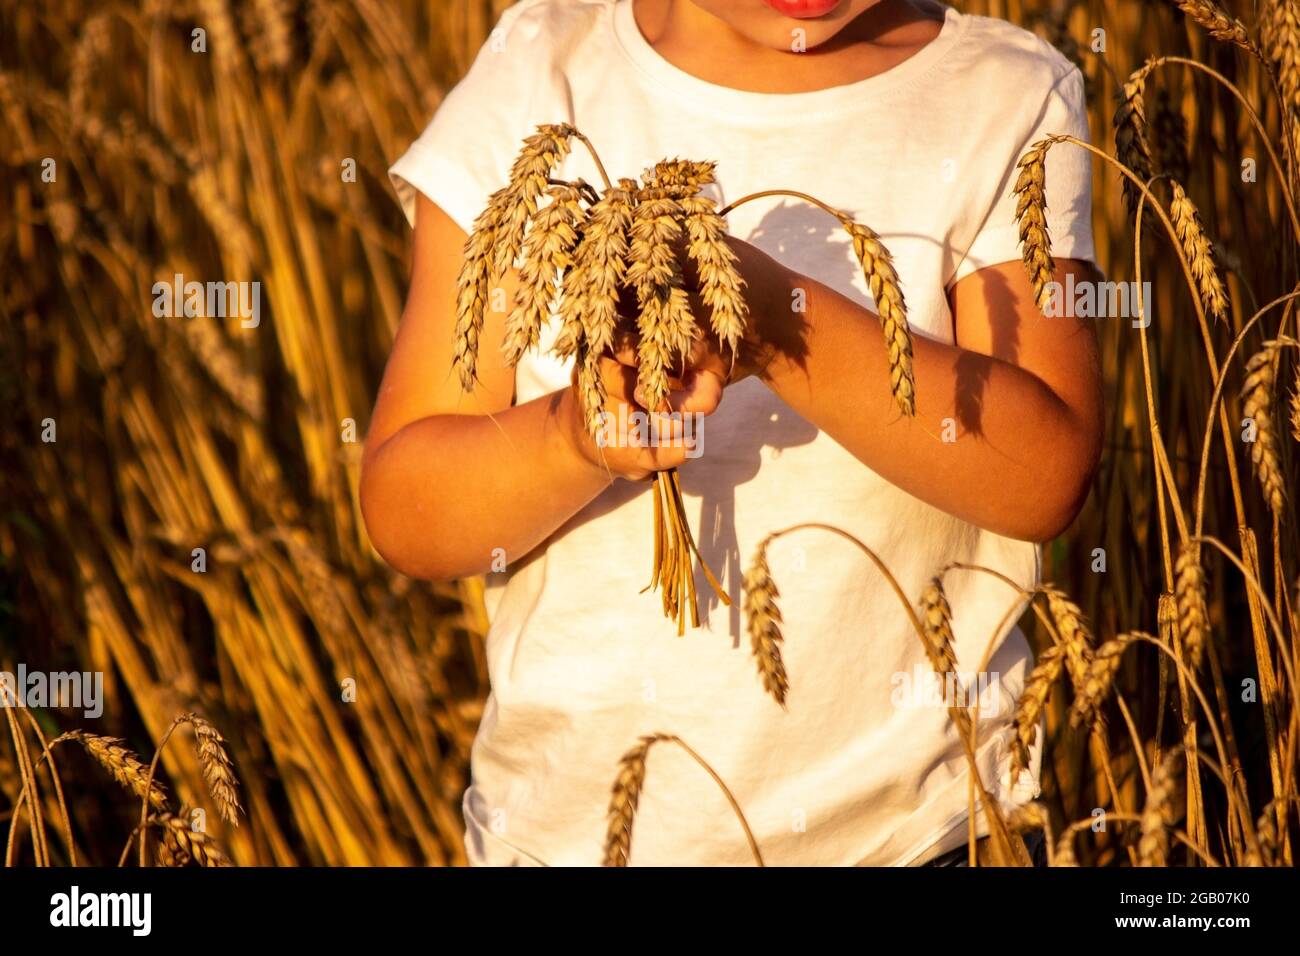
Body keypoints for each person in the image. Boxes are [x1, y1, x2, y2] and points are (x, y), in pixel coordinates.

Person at [363, 0, 1103, 865]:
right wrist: (574, 437)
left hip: (922, 837)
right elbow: (407, 505)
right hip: (572, 843)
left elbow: (1045, 475)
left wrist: (773, 323)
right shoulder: (541, 71)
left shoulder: (1004, 97)